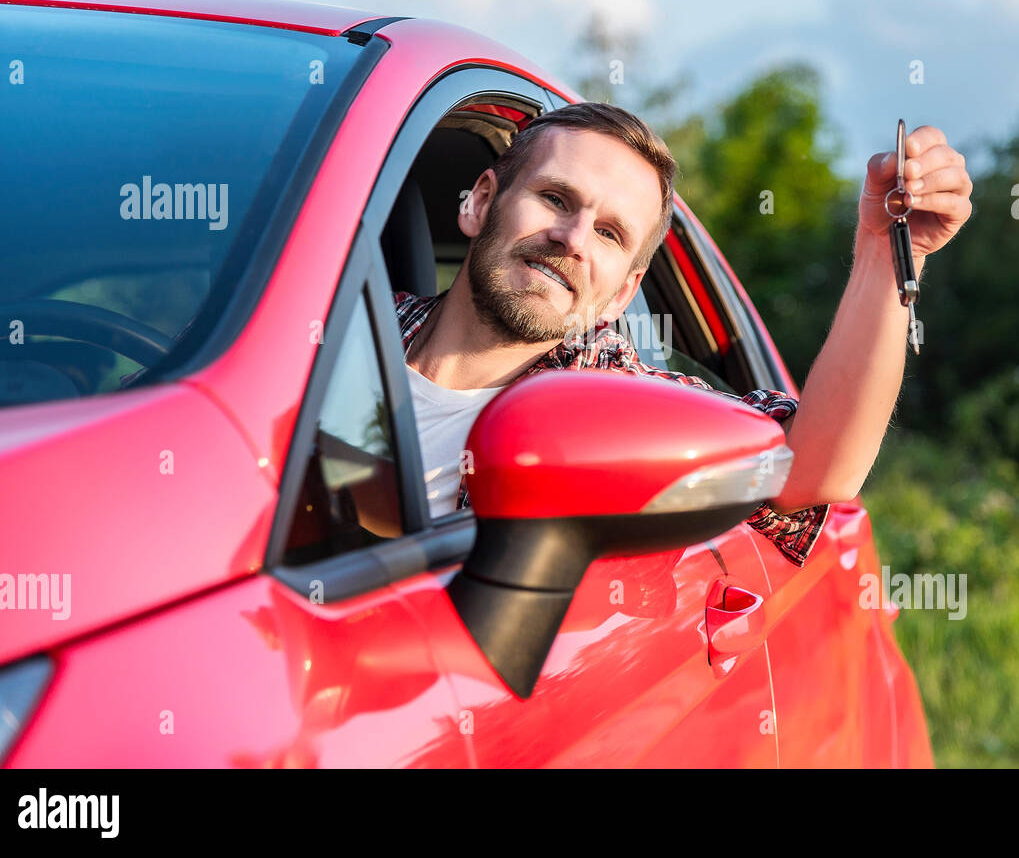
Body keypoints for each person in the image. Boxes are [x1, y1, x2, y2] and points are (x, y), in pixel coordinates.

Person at [397, 102, 972, 567]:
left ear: (623, 294)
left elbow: (807, 466)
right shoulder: (330, 327)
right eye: (554, 199)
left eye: (610, 234)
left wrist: (886, 254)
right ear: (479, 202)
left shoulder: (605, 399)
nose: (573, 239)